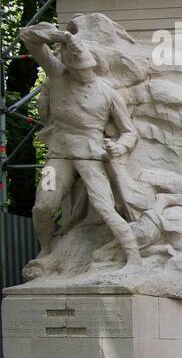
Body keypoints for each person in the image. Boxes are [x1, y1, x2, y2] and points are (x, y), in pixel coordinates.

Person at [19, 23, 142, 275]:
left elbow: (129, 131)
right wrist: (62, 36)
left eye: (85, 68)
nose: (81, 72)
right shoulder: (57, 75)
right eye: (76, 68)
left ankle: (134, 257)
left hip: (90, 154)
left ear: (94, 65)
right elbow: (29, 37)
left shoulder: (107, 93)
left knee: (105, 206)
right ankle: (47, 249)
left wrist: (119, 147)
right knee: (43, 205)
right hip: (59, 154)